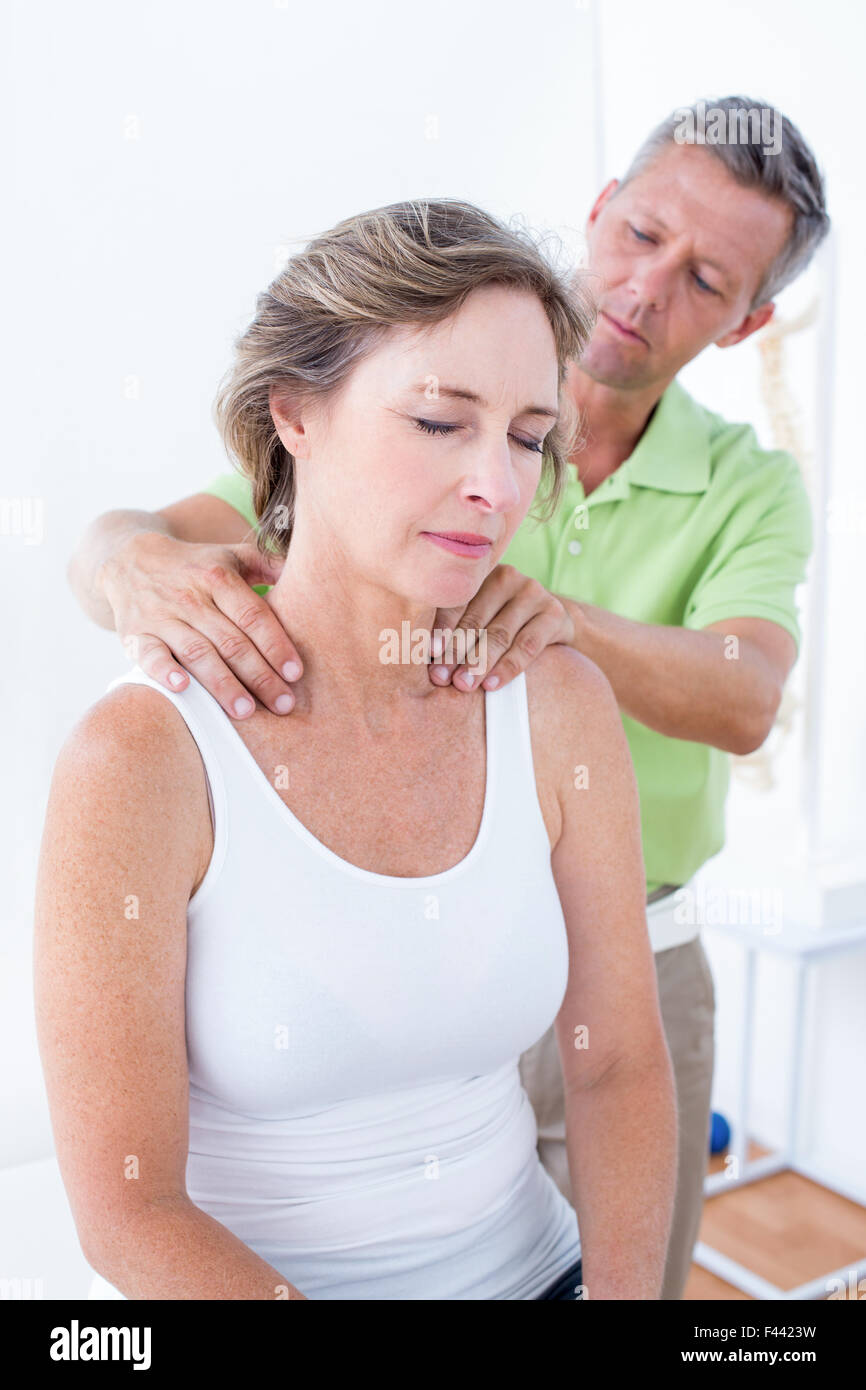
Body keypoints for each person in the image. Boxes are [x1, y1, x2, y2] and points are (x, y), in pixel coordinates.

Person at [66, 95, 830, 1299]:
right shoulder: (144, 752)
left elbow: (743, 702)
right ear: (296, 416)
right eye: (436, 420)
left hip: (628, 939)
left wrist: (558, 621)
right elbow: (127, 1207)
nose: (495, 489)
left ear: (747, 321)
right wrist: (119, 558)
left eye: (529, 439)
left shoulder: (711, 523)